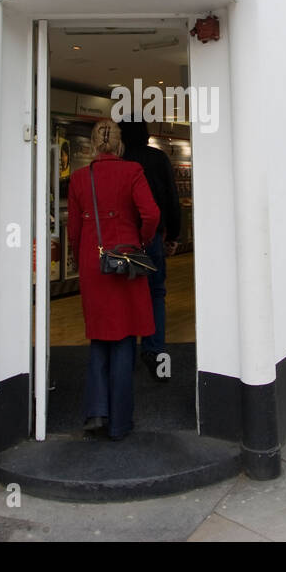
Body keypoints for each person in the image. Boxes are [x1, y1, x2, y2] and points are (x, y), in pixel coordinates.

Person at [66, 119, 160, 441]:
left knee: (99, 336)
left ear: (94, 145)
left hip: (95, 262)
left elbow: (74, 230)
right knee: (123, 338)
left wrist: (84, 259)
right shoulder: (132, 171)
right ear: (119, 145)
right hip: (126, 260)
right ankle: (120, 422)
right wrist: (140, 242)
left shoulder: (80, 178)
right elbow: (152, 214)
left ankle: (96, 412)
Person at [117, 119, 181, 381]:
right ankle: (154, 350)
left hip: (127, 239)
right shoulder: (159, 158)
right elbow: (171, 198)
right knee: (156, 293)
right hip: (154, 237)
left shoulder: (122, 161)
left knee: (128, 296)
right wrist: (174, 235)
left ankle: (127, 355)